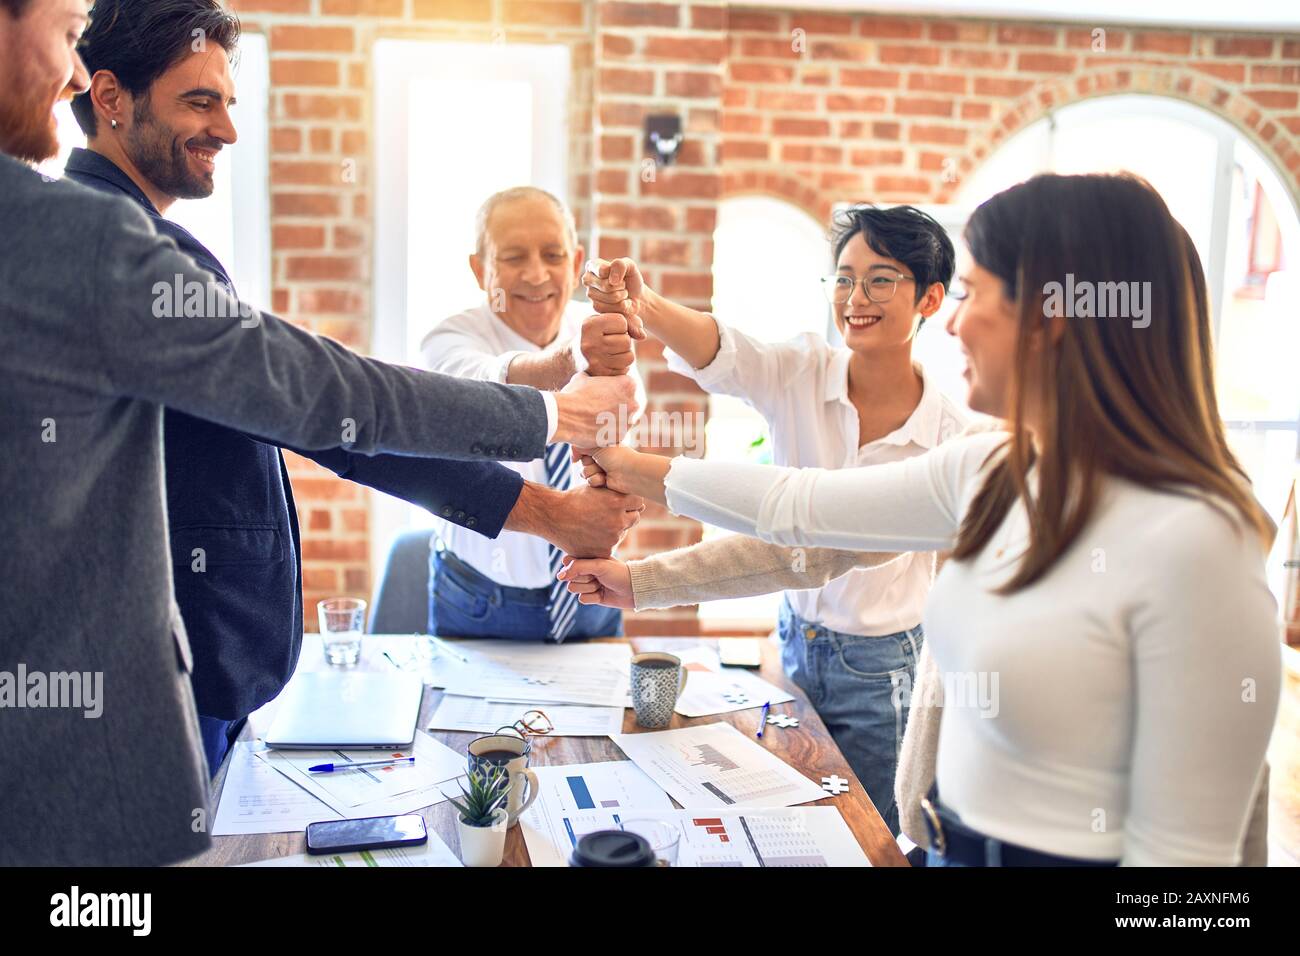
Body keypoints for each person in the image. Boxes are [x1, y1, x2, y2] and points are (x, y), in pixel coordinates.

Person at [0, 0, 634, 865]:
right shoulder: (101, 241)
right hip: (157, 682)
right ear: (110, 98)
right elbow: (328, 403)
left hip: (191, 671)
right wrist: (549, 441)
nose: (226, 127)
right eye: (198, 102)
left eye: (229, 102)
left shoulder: (136, 240)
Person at [576, 172, 1281, 866]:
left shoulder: (1197, 548)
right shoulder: (988, 468)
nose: (954, 320)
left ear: (1053, 316)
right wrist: (624, 465)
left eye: (972, 292)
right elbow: (797, 510)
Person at [580, 204, 967, 832]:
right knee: (797, 819)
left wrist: (635, 480)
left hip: (883, 670)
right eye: (843, 278)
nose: (855, 297)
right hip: (793, 643)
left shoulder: (950, 438)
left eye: (880, 279)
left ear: (929, 300)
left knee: (867, 832)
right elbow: (726, 352)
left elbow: (806, 549)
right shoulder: (803, 370)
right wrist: (643, 304)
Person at [420, 186, 647, 642]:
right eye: (513, 257)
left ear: (576, 258)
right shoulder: (447, 339)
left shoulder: (601, 331)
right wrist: (571, 361)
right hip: (477, 598)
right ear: (478, 268)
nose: (537, 274)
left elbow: (626, 422)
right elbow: (483, 392)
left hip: (591, 590)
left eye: (553, 254)